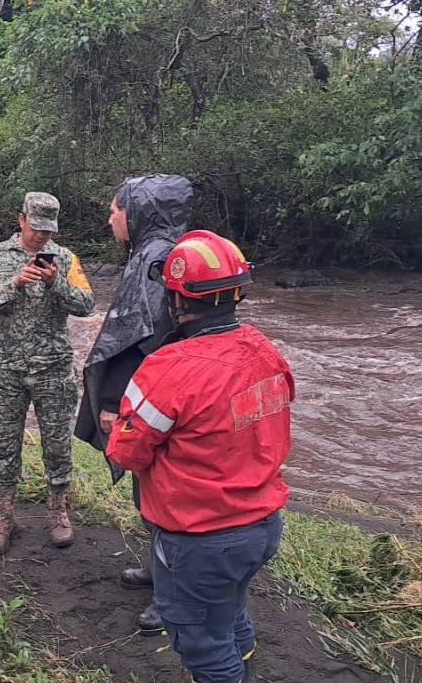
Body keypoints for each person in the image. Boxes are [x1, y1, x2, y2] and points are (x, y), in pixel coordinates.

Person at [106, 231, 292, 683]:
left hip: (200, 536)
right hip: (261, 526)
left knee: (200, 644)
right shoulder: (265, 351)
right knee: (229, 616)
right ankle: (245, 668)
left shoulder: (168, 368)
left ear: (176, 299)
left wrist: (116, 423)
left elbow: (127, 452)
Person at [73, 174, 191, 634]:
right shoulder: (170, 252)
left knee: (165, 494)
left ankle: (172, 596)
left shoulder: (154, 258)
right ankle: (160, 573)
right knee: (154, 489)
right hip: (169, 391)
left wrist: (114, 403)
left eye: (115, 210)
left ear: (137, 211)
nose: (110, 219)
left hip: (157, 396)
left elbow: (136, 340)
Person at [0, 192, 96, 554]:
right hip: (6, 367)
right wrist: (15, 284)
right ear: (22, 220)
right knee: (3, 444)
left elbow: (87, 305)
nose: (42, 237)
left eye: (48, 230)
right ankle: (4, 518)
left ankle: (58, 514)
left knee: (57, 444)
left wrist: (57, 283)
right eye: (37, 228)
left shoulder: (65, 258)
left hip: (53, 368)